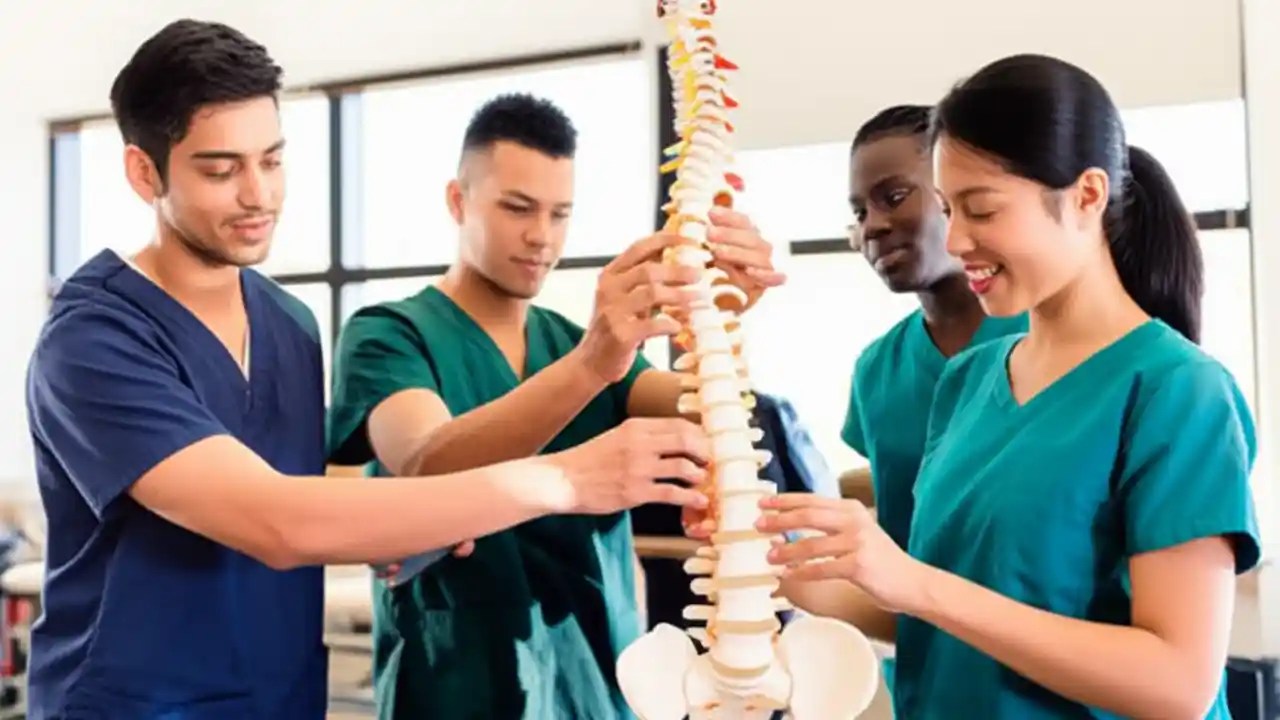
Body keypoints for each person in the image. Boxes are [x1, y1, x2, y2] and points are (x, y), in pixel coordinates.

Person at [24, 20, 711, 719]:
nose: (259, 195)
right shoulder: (94, 339)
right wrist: (567, 478)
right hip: (132, 704)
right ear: (146, 172)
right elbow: (276, 520)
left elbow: (319, 500)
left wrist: (407, 535)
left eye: (273, 159)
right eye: (221, 169)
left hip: (279, 695)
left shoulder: (288, 325)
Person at [753, 54, 1261, 718]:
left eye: (981, 209)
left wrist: (916, 584)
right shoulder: (968, 381)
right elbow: (945, 618)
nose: (957, 239)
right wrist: (789, 569)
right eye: (946, 209)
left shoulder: (1178, 392)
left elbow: (1177, 684)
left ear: (1086, 196)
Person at [325, 93, 784, 719]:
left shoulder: (574, 343)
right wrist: (593, 363)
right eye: (517, 209)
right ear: (458, 201)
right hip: (455, 683)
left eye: (559, 214)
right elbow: (427, 467)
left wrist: (719, 317)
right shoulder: (388, 334)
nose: (541, 237)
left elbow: (705, 416)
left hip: (596, 684)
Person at [833, 104, 1030, 702]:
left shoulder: (1049, 342)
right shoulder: (877, 371)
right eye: (860, 211)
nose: (873, 225)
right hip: (935, 686)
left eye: (895, 196)